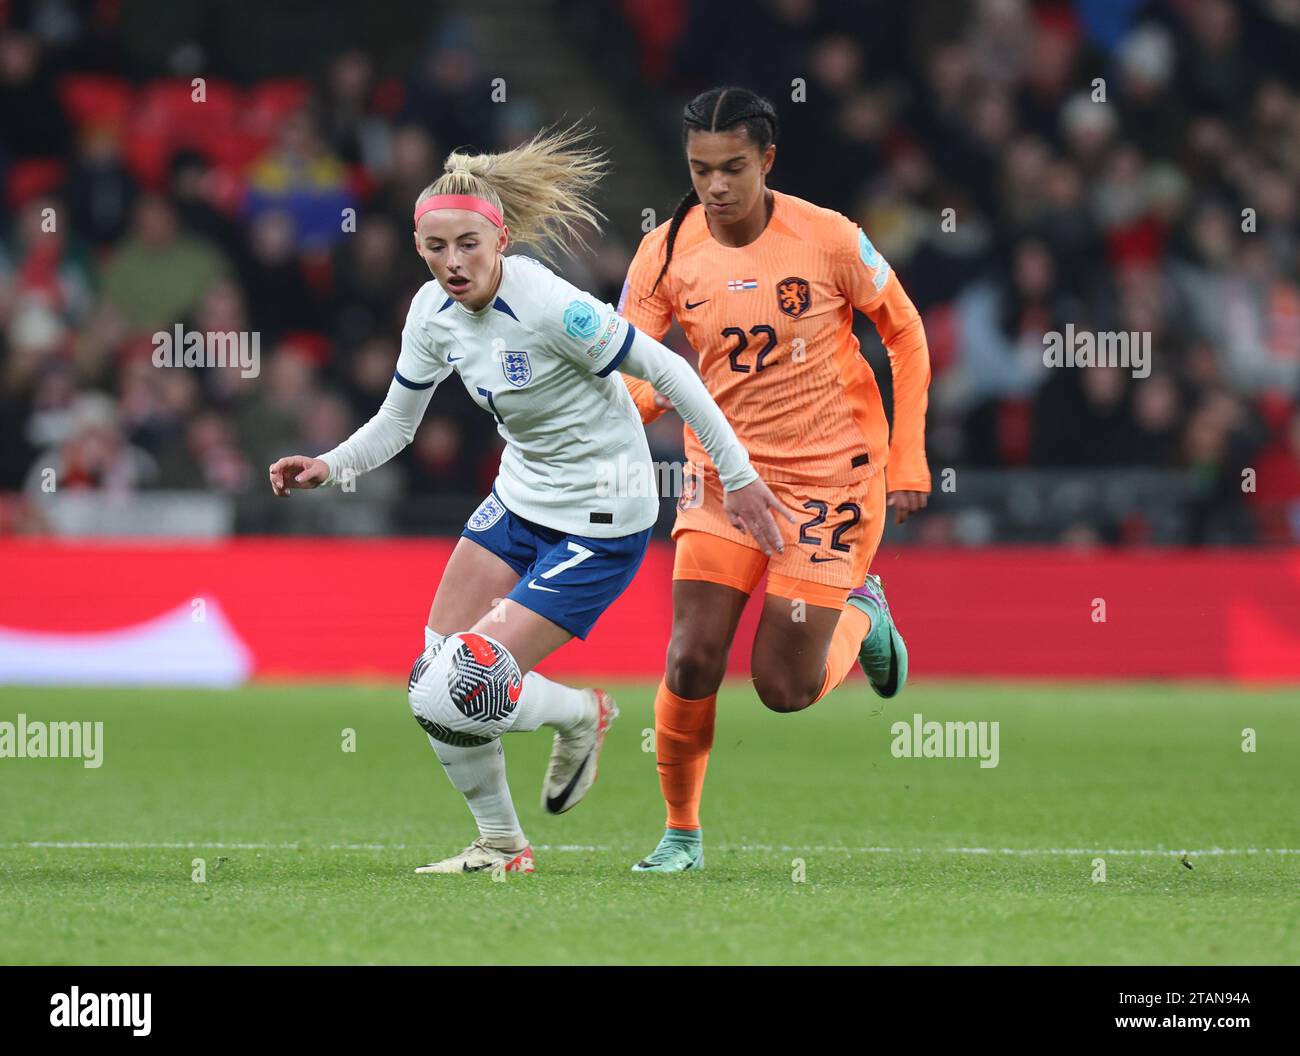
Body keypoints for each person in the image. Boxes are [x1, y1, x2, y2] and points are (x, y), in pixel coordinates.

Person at [268, 126, 790, 875]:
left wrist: (737, 478)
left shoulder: (551, 305)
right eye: (437, 247)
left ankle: (580, 713)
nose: (454, 262)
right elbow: (396, 423)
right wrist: (328, 463)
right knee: (431, 682)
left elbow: (674, 375)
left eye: (469, 245)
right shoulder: (429, 313)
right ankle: (503, 845)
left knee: (468, 684)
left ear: (500, 240)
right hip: (518, 501)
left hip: (603, 517)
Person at [618, 88, 932, 873]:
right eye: (698, 170)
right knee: (691, 656)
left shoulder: (830, 239)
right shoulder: (662, 251)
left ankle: (863, 613)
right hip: (724, 475)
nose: (714, 187)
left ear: (767, 160)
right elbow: (637, 368)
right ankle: (680, 834)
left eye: (730, 169)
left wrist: (910, 455)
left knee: (783, 688)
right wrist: (620, 413)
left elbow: (906, 331)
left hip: (831, 479)